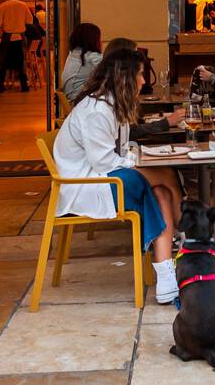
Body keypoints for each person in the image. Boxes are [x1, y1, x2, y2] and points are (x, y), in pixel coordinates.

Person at [52, 48, 184, 304]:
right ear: (125, 78)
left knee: (161, 191)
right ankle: (190, 237)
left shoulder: (110, 104)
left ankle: (167, 274)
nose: (144, 81)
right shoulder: (97, 111)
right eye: (141, 75)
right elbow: (103, 162)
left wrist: (138, 160)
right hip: (89, 185)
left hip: (103, 176)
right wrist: (140, 160)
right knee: (165, 174)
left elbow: (118, 152)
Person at [0, 0, 34, 93]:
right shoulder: (22, 5)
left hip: (8, 38)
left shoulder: (2, 6)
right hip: (20, 37)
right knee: (21, 62)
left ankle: (1, 86)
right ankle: (24, 86)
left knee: (3, 62)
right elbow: (30, 21)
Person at [60, 22, 103, 102]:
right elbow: (111, 67)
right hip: (79, 102)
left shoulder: (73, 54)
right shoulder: (90, 56)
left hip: (73, 99)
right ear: (92, 40)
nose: (101, 41)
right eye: (99, 38)